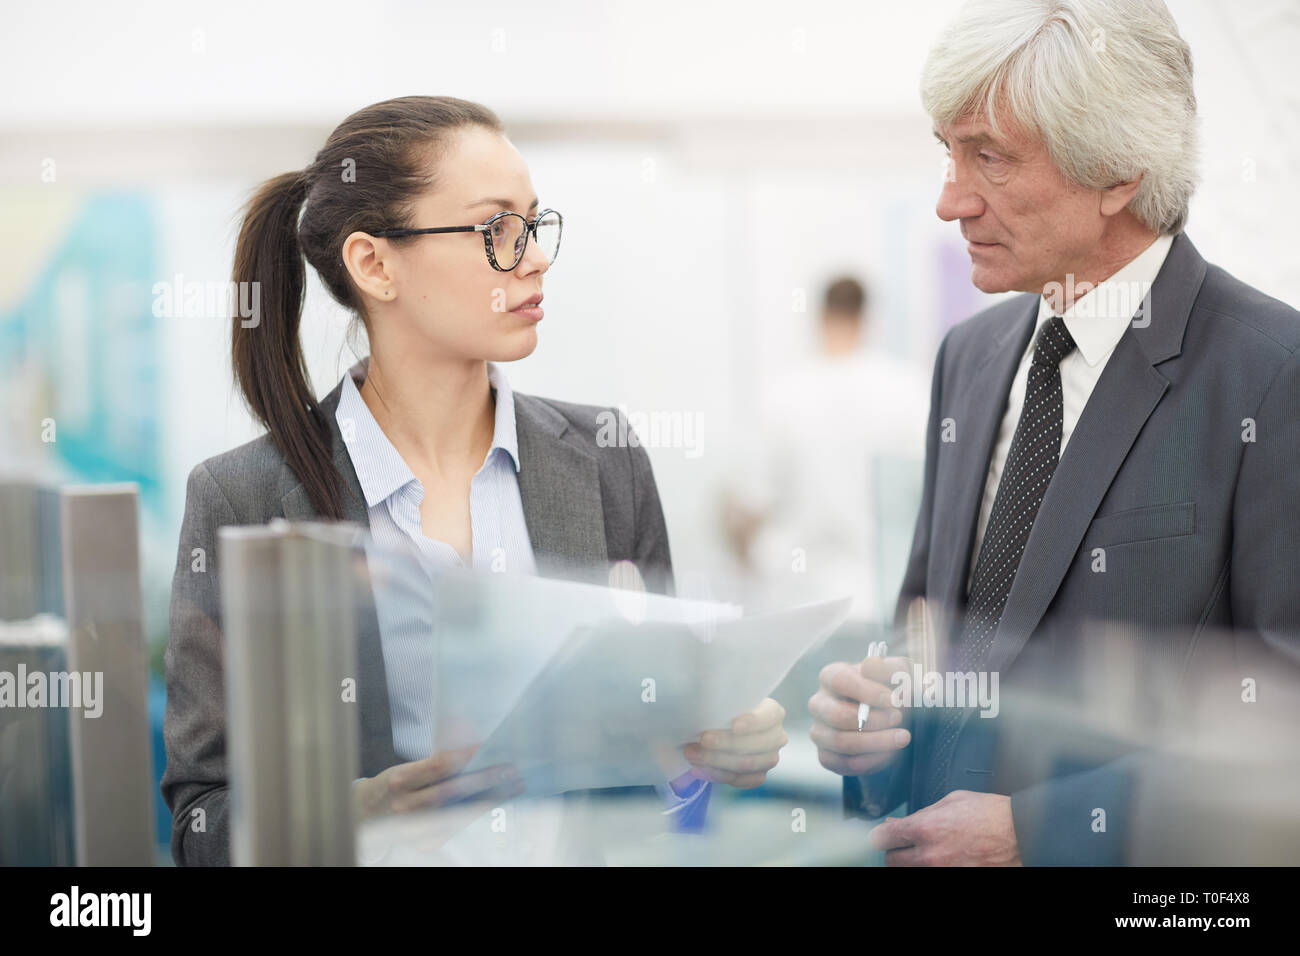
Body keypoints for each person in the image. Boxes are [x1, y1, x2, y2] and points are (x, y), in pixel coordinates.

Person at [162, 95, 788, 866]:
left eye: (534, 224)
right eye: (497, 229)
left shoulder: (606, 458)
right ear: (374, 264)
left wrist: (718, 742)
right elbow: (199, 823)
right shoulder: (242, 498)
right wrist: (358, 810)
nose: (534, 257)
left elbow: (658, 756)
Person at [810, 0, 1300, 865]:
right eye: (947, 152)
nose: (948, 201)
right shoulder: (970, 356)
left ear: (1118, 172)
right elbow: (929, 635)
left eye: (988, 158)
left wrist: (1044, 832)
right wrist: (872, 733)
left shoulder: (1271, 372)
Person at [723, 276, 929, 624]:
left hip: (797, 605)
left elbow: (748, 506)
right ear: (865, 318)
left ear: (820, 316)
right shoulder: (908, 390)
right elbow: (931, 497)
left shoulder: (784, 396)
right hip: (881, 599)